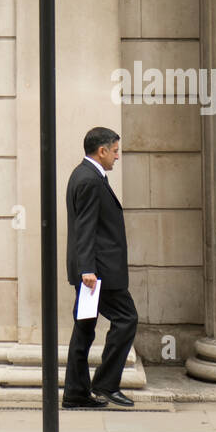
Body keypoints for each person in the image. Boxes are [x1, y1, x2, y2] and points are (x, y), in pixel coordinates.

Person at [61, 126, 138, 410]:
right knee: (127, 318)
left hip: (93, 272)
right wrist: (88, 270)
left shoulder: (85, 175)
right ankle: (105, 384)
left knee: (84, 330)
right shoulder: (90, 179)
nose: (117, 157)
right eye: (115, 151)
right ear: (102, 150)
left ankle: (75, 393)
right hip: (98, 274)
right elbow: (86, 228)